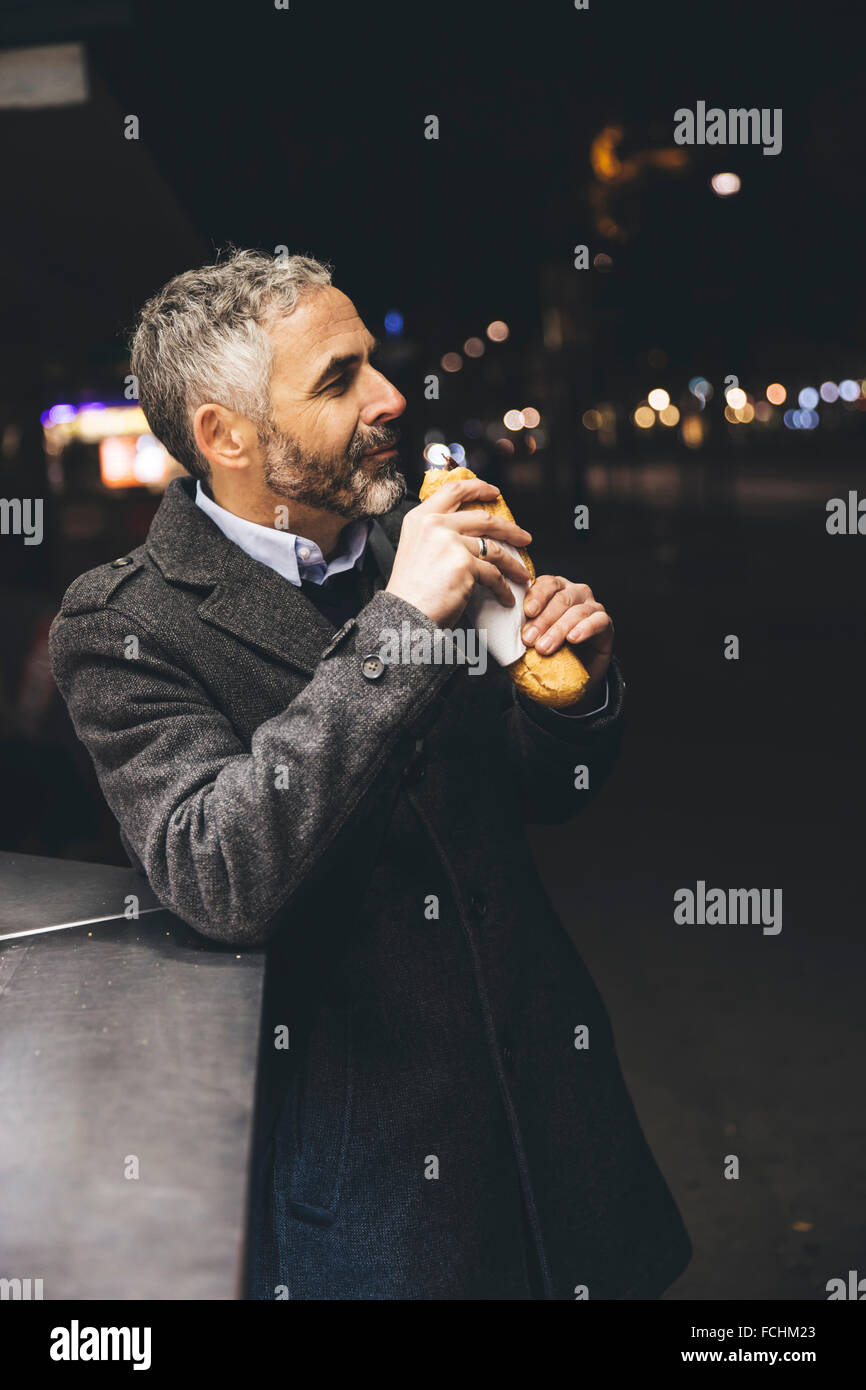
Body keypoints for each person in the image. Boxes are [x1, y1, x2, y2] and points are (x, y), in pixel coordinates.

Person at [49, 249, 691, 1300]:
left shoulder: (412, 538)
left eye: (372, 362)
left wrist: (567, 697)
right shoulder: (126, 624)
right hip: (381, 1188)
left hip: (560, 1120)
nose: (391, 397)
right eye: (338, 379)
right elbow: (219, 875)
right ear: (226, 435)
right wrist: (399, 627)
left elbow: (538, 794)